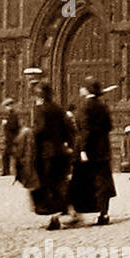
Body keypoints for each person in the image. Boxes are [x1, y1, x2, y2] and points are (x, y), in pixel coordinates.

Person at [30, 82, 79, 230]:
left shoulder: (40, 109)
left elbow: (40, 129)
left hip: (46, 152)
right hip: (60, 152)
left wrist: (31, 134)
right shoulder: (59, 109)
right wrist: (68, 146)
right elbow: (68, 130)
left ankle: (54, 217)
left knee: (47, 184)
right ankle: (68, 211)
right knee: (59, 183)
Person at [69, 80, 116, 225]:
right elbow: (109, 126)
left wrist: (83, 149)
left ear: (87, 91)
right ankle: (104, 214)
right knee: (103, 181)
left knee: (80, 181)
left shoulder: (84, 106)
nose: (80, 89)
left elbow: (85, 129)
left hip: (89, 150)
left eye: (82, 87)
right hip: (103, 149)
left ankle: (75, 213)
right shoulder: (103, 106)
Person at [1, 99, 21, 176]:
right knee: (8, 155)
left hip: (12, 139)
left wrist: (6, 123)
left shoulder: (13, 115)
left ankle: (6, 171)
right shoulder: (11, 114)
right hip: (10, 139)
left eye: (7, 105)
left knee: (7, 155)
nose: (7, 107)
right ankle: (6, 171)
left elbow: (14, 126)